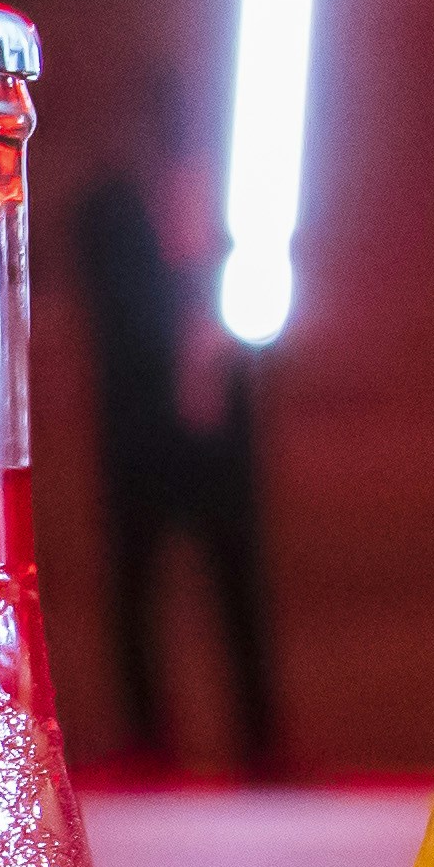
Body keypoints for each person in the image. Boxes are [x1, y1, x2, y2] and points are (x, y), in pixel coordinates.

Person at [68, 103, 284, 781]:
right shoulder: (113, 213)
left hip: (219, 438)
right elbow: (110, 314)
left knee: (238, 586)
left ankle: (260, 741)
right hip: (143, 436)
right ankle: (149, 741)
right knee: (136, 589)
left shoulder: (233, 222)